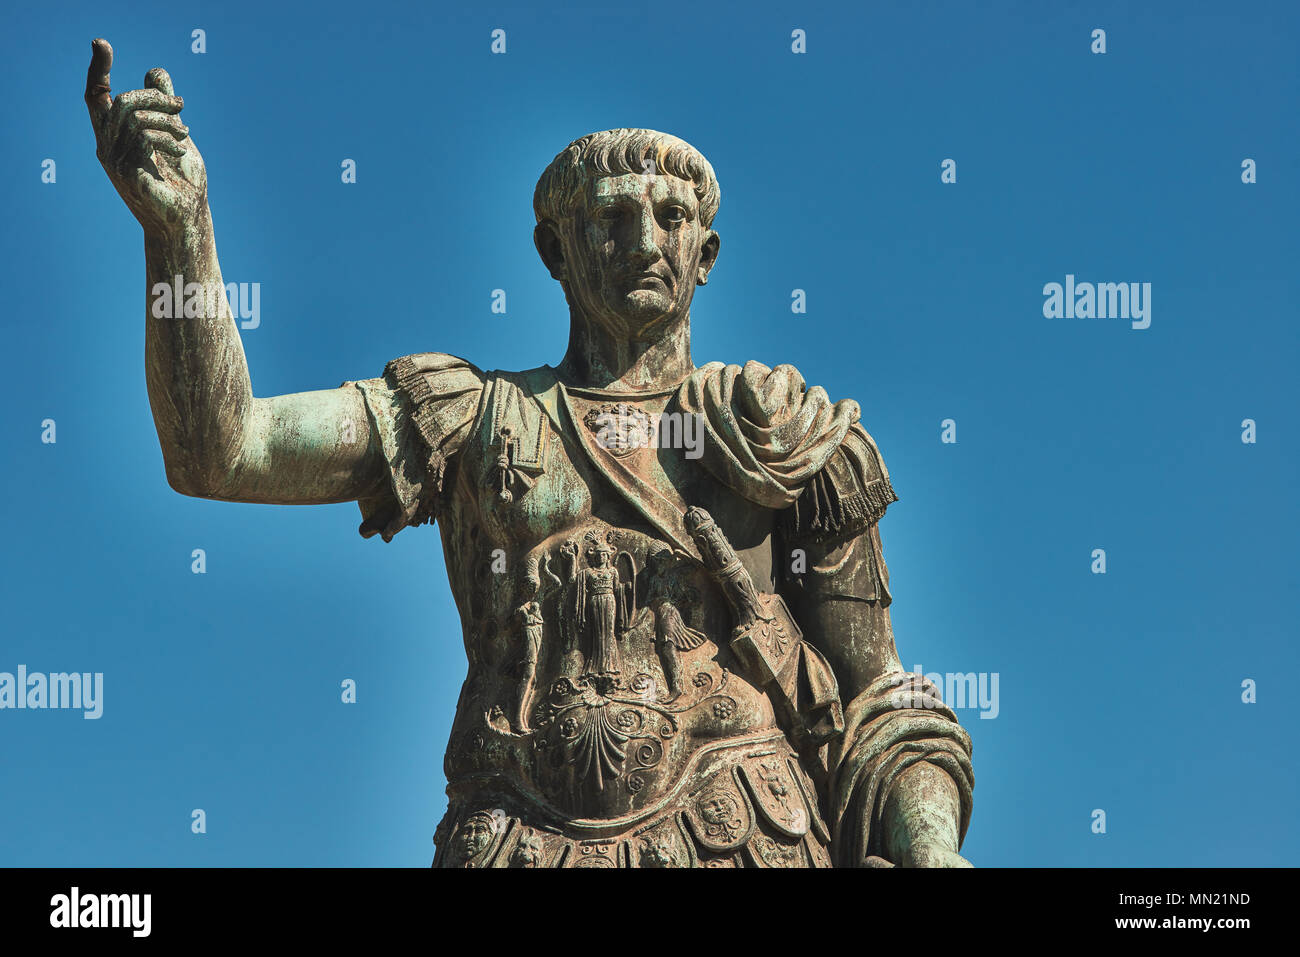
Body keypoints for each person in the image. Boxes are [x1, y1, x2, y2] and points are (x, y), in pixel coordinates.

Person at [85, 38, 974, 867]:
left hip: (744, 828)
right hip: (515, 837)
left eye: (670, 219)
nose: (643, 242)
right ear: (554, 248)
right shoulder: (468, 416)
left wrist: (932, 847)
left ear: (706, 255)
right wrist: (180, 233)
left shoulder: (785, 431)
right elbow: (222, 449)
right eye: (611, 218)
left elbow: (883, 702)